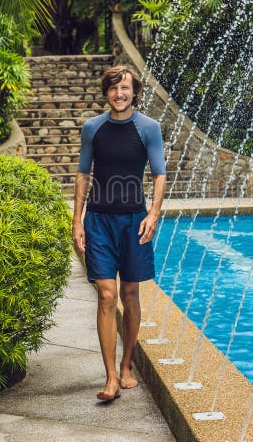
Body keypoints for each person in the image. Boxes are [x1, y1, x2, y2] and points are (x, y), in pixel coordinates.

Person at [72, 65, 167, 401]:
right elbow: (83, 175)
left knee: (130, 296)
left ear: (134, 92)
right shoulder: (92, 128)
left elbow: (159, 175)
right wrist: (77, 220)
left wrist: (153, 213)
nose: (119, 94)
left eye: (125, 88)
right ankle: (111, 377)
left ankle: (127, 365)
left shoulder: (149, 128)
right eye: (113, 88)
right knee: (106, 296)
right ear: (106, 92)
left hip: (133, 222)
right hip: (98, 220)